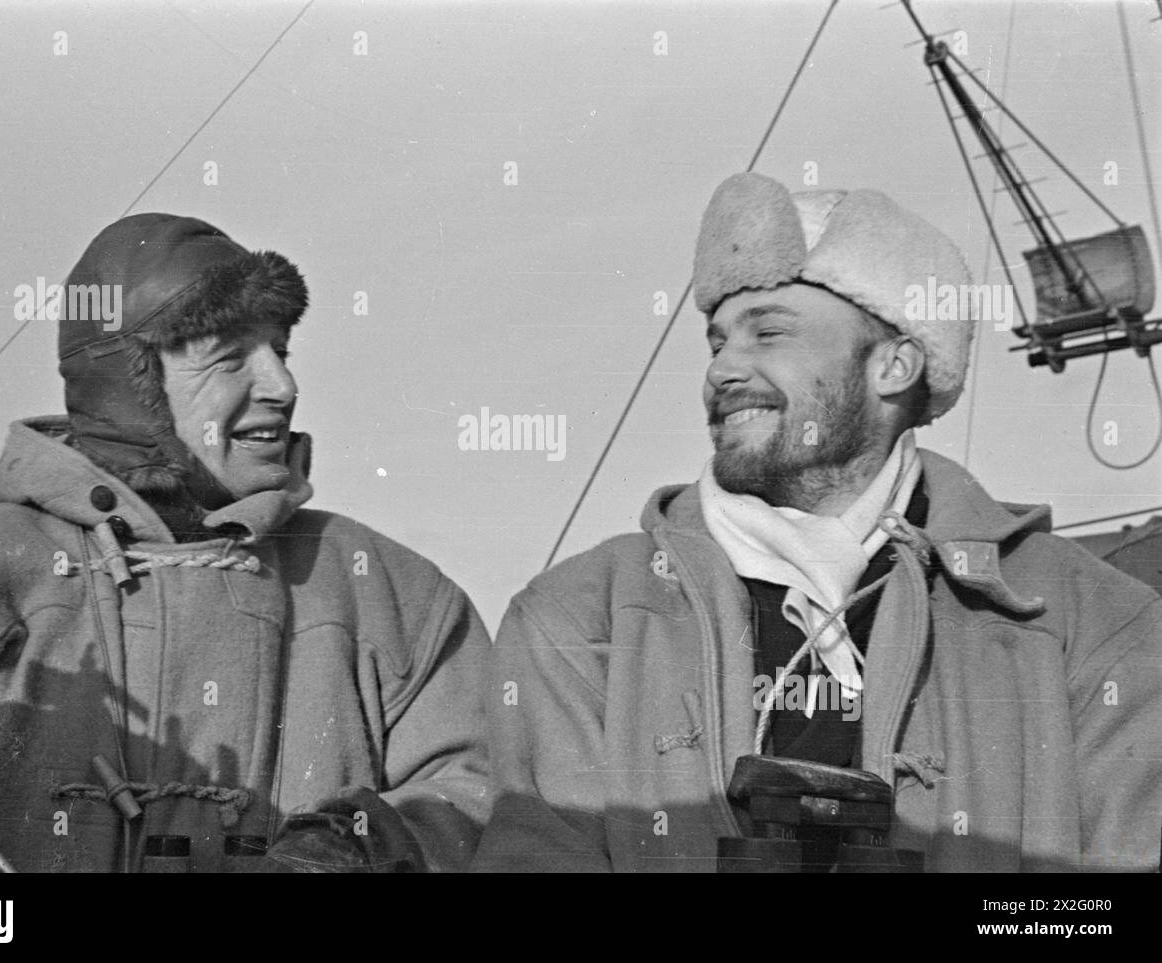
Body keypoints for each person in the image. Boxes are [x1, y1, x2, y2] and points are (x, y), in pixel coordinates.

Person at [474, 172, 1162, 872]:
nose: (722, 370)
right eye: (717, 342)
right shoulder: (579, 620)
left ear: (894, 365)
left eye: (768, 331)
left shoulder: (1089, 620)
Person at [0, 214, 489, 872]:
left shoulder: (390, 593)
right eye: (229, 357)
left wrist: (361, 845)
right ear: (128, 386)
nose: (283, 385)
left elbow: (487, 793)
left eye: (282, 351)